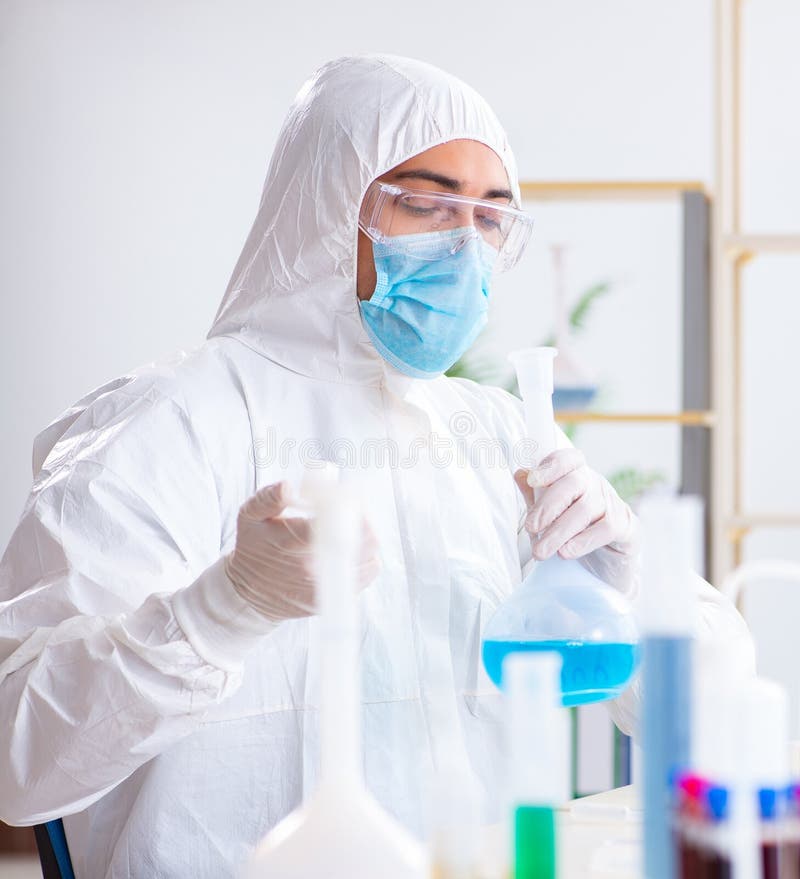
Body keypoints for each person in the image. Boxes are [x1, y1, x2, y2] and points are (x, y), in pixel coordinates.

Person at [0, 55, 753, 877]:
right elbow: (16, 761)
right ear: (325, 208)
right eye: (425, 205)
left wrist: (632, 592)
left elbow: (726, 721)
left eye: (491, 218)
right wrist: (222, 607)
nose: (465, 250)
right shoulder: (166, 425)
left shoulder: (497, 434)